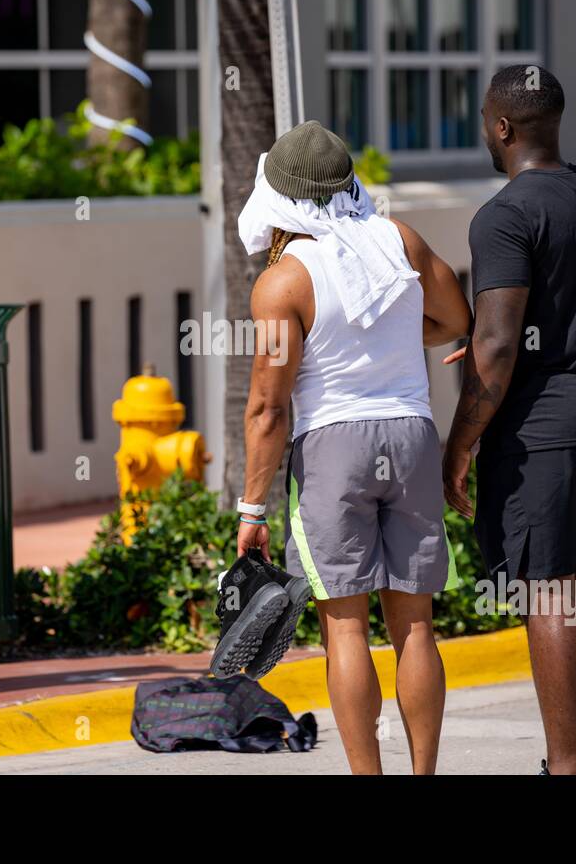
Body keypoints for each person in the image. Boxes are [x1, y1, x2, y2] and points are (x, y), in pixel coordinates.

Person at [237, 120, 471, 774]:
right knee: (416, 628)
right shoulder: (400, 242)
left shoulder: (282, 283)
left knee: (345, 629)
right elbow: (456, 320)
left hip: (333, 449)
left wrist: (252, 510)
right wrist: (392, 342)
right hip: (412, 436)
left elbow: (267, 407)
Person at [443, 65, 576, 775]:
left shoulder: (505, 214)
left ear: (502, 127)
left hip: (543, 426)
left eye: (485, 118)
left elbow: (500, 348)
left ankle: (568, 768)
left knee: (553, 594)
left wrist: (461, 443)